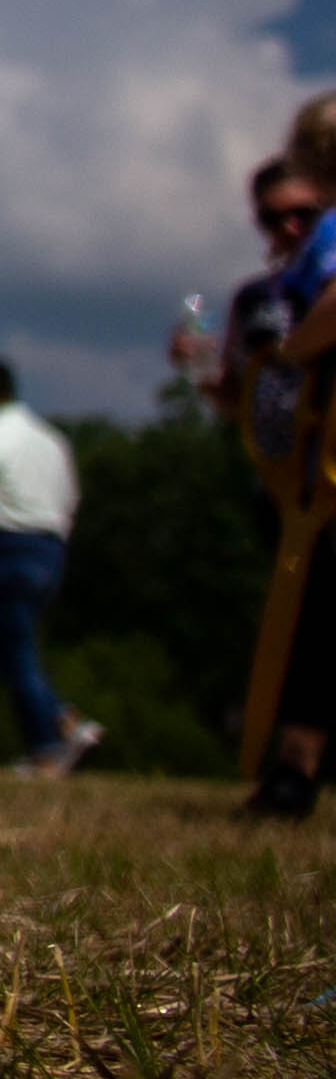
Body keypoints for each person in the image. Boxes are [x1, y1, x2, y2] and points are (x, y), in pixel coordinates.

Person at [196, 142, 336, 817]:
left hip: (332, 472)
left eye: (303, 214)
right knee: (304, 621)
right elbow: (237, 391)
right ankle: (296, 765)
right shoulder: (256, 296)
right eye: (272, 218)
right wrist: (203, 376)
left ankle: (296, 766)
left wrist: (294, 347)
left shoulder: (326, 276)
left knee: (318, 620)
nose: (287, 229)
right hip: (284, 480)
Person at [0, 358, 102, 775]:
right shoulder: (52, 441)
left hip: (2, 544)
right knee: (14, 648)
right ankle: (64, 721)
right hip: (50, 547)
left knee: (8, 649)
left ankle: (48, 747)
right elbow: (70, 499)